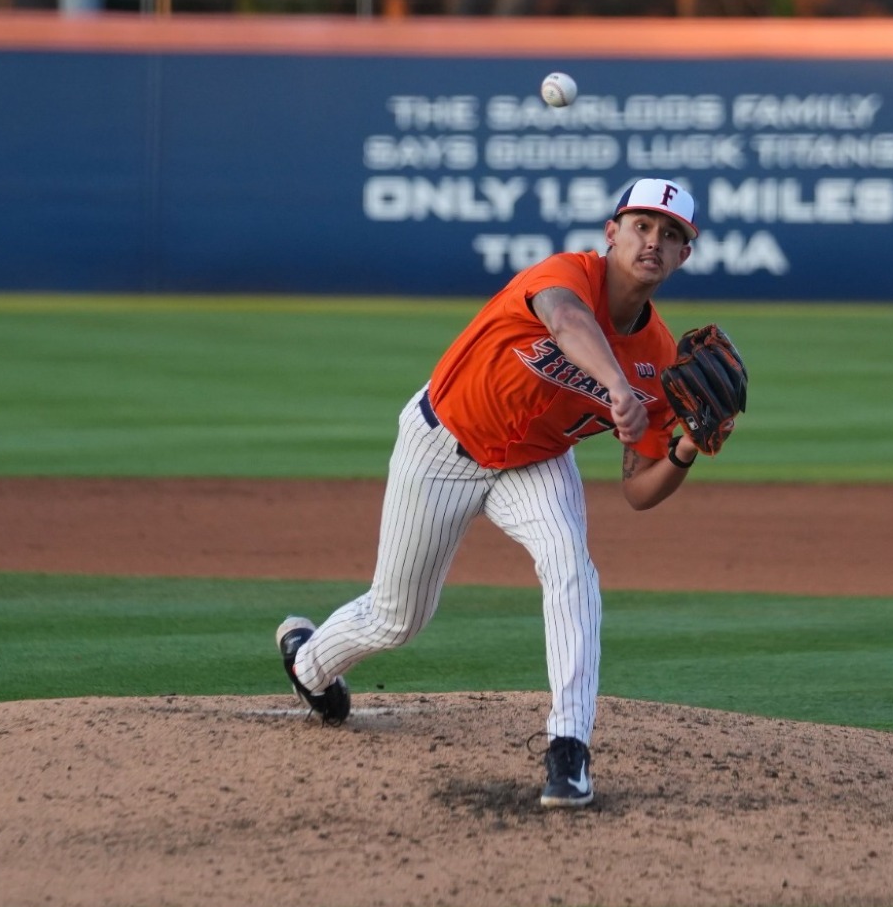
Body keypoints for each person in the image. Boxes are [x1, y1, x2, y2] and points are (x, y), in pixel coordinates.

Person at [276, 177, 719, 808]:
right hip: (442, 443)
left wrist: (686, 448)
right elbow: (566, 321)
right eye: (641, 226)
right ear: (611, 233)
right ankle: (309, 665)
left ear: (684, 255)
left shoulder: (661, 359)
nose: (653, 241)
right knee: (397, 618)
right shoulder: (566, 275)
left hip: (536, 464)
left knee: (570, 565)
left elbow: (639, 490)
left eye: (670, 234)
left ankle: (569, 748)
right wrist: (616, 384)